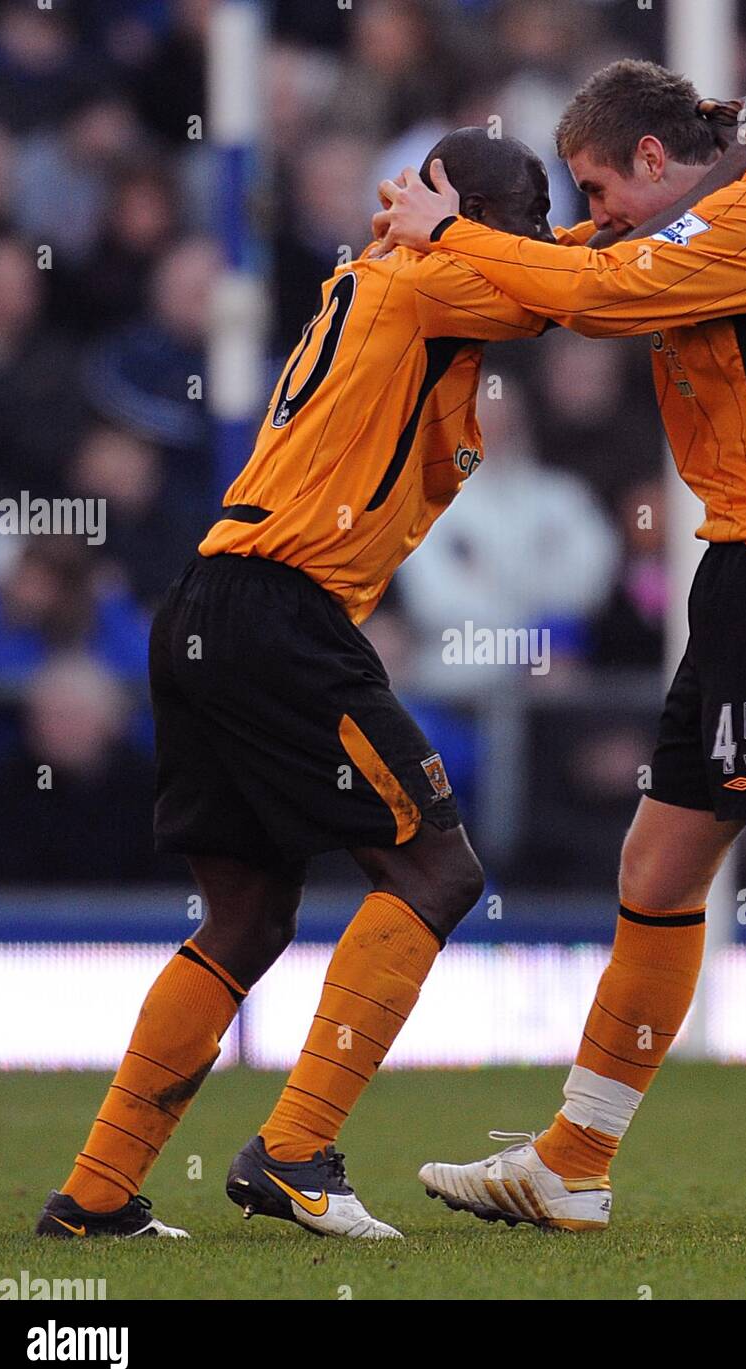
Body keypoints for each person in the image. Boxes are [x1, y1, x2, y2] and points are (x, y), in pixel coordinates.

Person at [375, 60, 746, 1237]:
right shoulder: (721, 220)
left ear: (647, 157)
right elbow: (588, 273)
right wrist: (458, 255)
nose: (590, 212)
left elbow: (598, 294)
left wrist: (451, 234)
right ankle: (572, 1160)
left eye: (595, 184)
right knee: (659, 867)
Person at [34, 127, 562, 1243]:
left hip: (218, 605)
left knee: (246, 914)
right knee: (435, 865)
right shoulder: (427, 280)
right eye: (528, 220)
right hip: (277, 612)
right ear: (460, 215)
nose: (539, 245)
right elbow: (576, 300)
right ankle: (294, 1148)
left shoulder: (395, 288)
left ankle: (93, 1194)